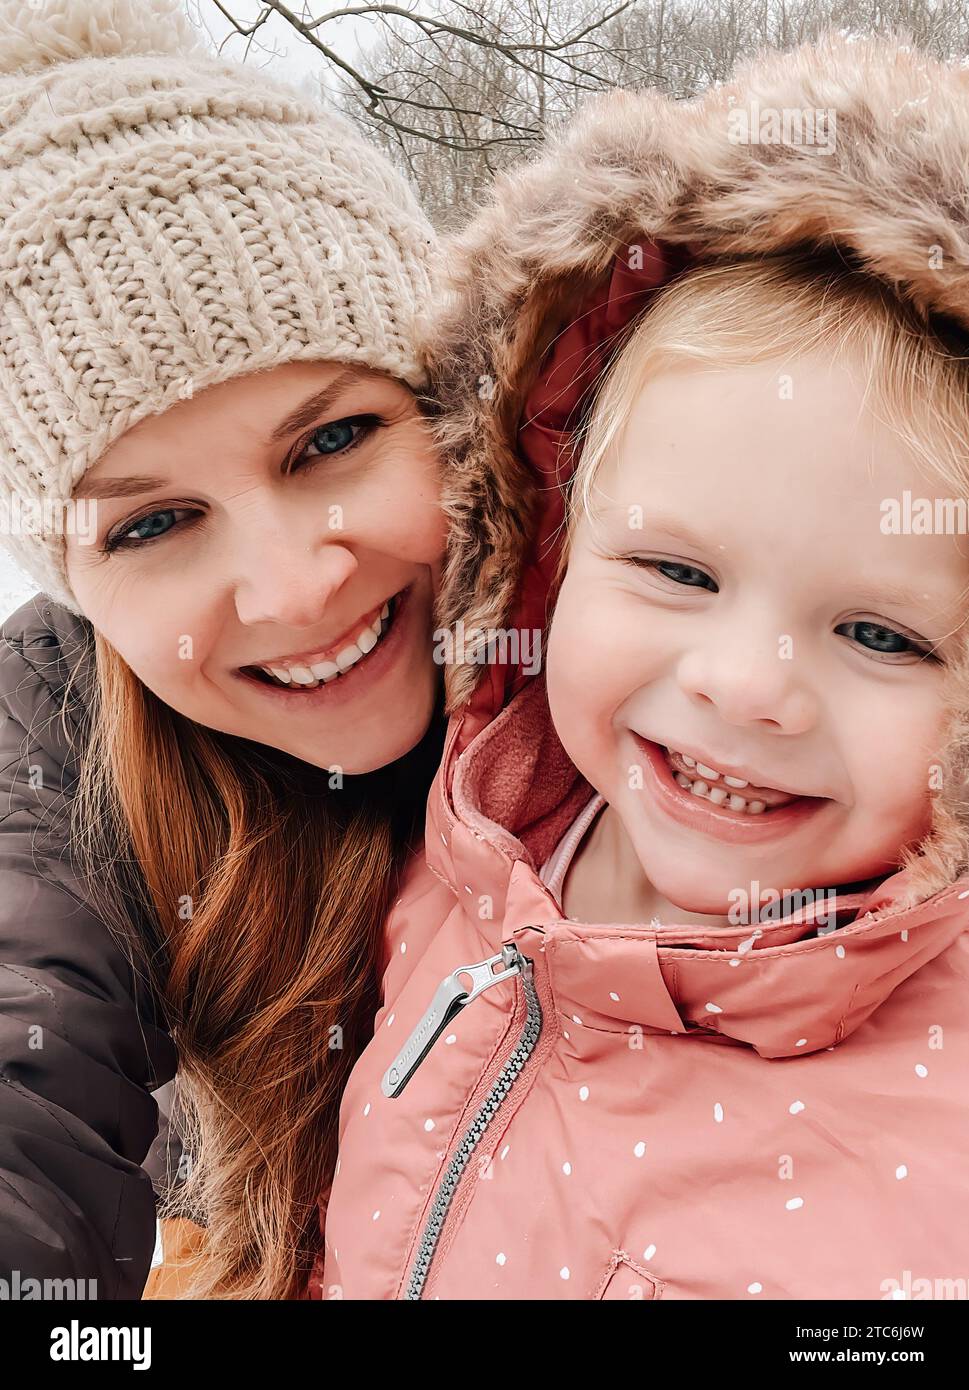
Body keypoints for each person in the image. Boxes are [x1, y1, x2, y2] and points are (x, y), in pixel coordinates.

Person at [321, 29, 969, 1298]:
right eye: (676, 573)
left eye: (880, 635)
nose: (744, 684)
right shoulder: (468, 852)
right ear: (548, 557)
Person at [0, 0, 451, 1300]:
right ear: (79, 589)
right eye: (154, 522)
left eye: (331, 440)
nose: (292, 585)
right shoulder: (63, 730)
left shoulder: (658, 631)